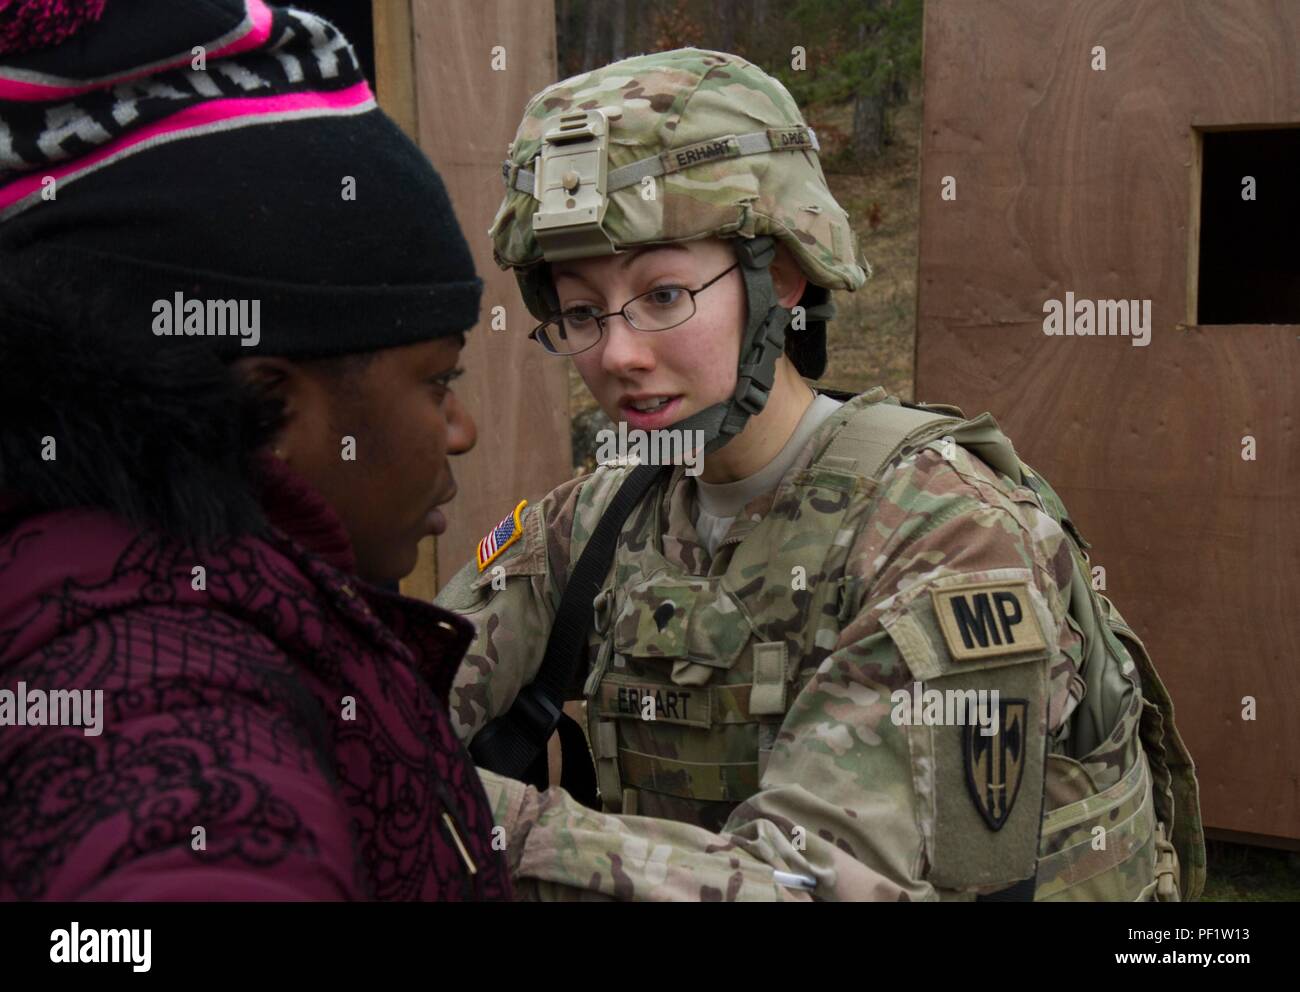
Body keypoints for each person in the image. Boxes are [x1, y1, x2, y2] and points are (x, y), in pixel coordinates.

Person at [435, 48, 1205, 901]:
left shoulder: (949, 532)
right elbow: (392, 684)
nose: (617, 353)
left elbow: (806, 886)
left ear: (783, 277)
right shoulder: (603, 513)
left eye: (663, 296)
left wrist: (450, 812)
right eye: (581, 312)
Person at [0, 0, 508, 900]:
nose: (460, 429)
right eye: (437, 380)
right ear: (272, 404)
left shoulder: (105, 568)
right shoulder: (159, 677)